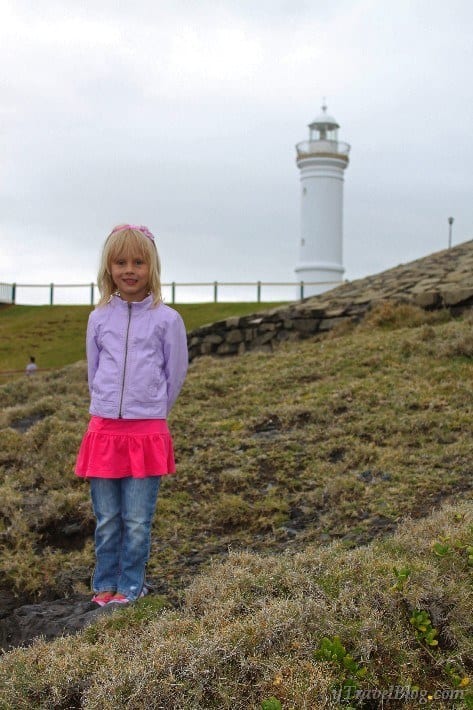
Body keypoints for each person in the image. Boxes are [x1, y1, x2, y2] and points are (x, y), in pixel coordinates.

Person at [75, 224, 188, 606]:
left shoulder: (167, 320)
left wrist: (152, 410)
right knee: (107, 519)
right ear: (109, 267)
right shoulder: (98, 318)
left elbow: (175, 374)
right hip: (104, 430)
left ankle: (131, 586)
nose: (129, 269)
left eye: (138, 262)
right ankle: (104, 585)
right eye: (121, 261)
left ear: (151, 266)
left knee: (137, 521)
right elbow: (94, 372)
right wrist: (107, 406)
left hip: (146, 433)